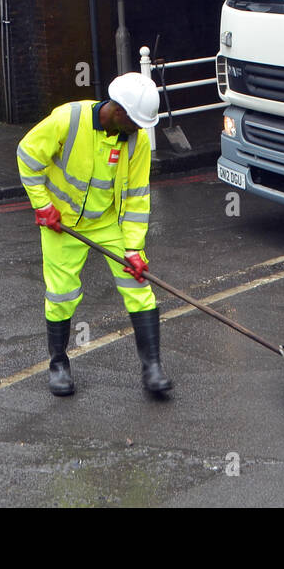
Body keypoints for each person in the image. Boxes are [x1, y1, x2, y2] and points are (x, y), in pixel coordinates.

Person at [17, 73, 172, 398]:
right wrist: (43, 205)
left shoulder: (136, 141)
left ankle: (152, 368)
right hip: (64, 222)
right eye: (136, 122)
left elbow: (136, 198)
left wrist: (133, 249)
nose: (141, 129)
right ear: (118, 112)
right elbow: (28, 156)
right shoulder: (68, 120)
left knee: (139, 286)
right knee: (61, 294)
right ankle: (58, 364)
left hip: (107, 223)